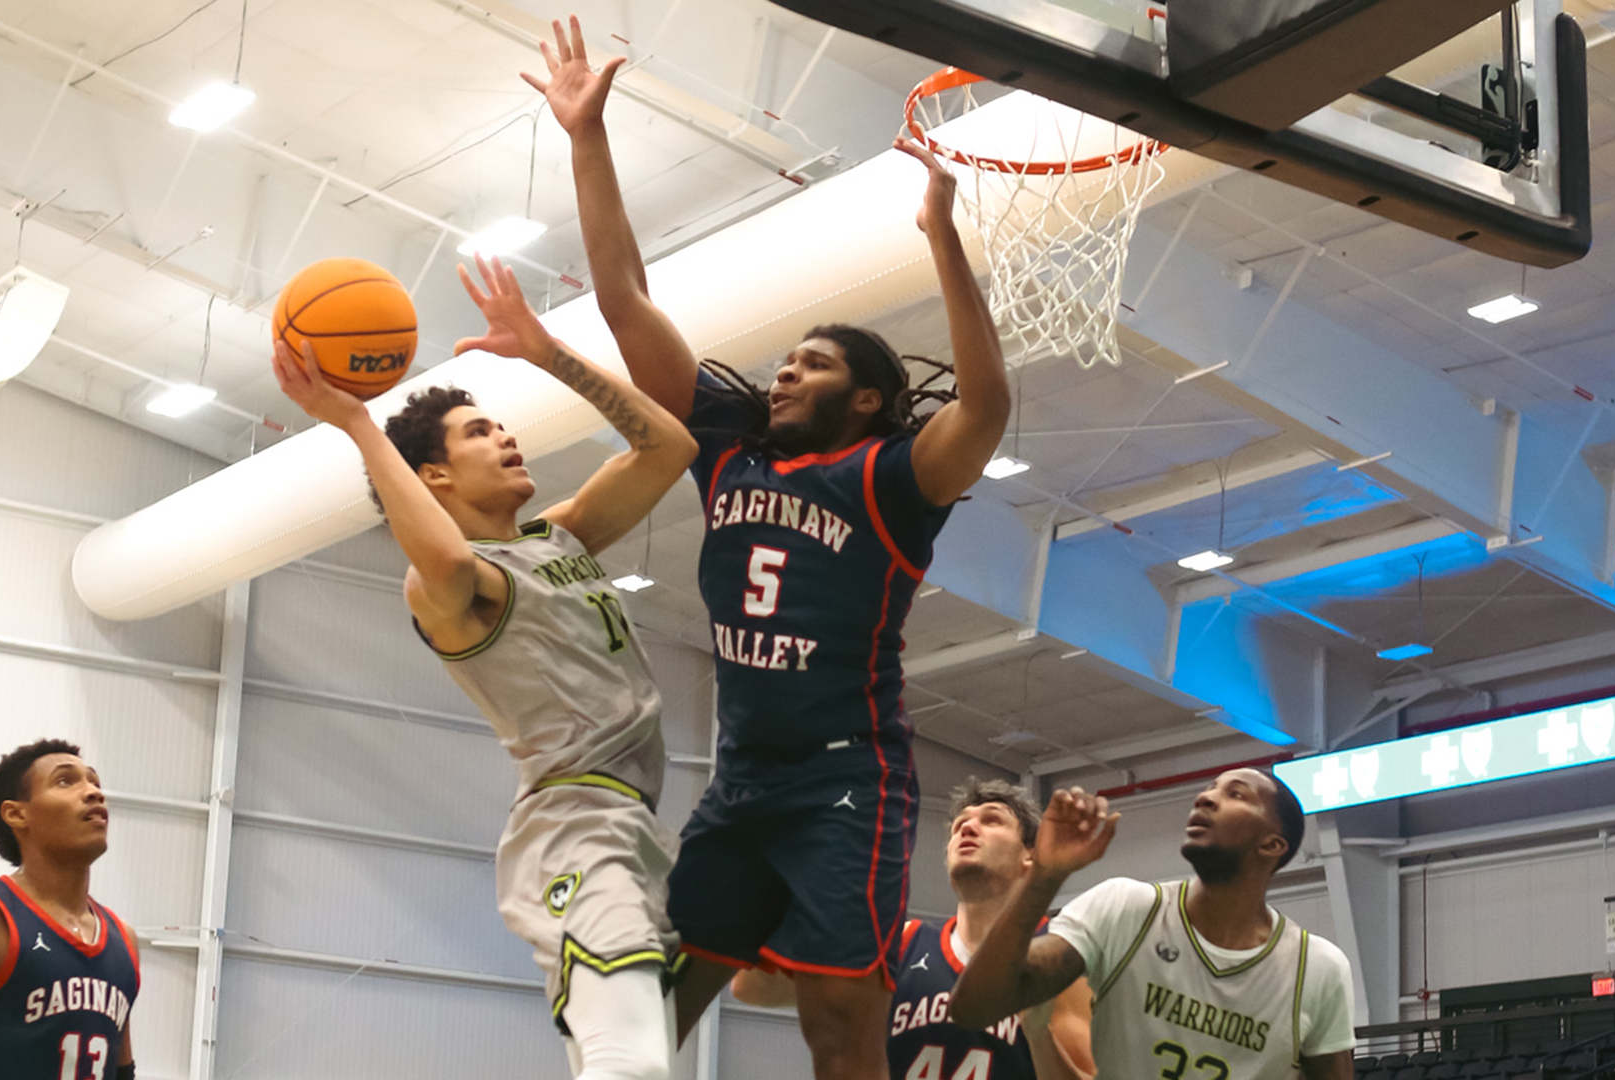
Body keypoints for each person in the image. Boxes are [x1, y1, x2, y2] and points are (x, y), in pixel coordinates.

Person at [527, 16, 1013, 1080]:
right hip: (743, 776)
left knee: (838, 1023)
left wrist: (941, 235)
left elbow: (985, 404)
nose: (784, 374)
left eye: (813, 364)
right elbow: (624, 301)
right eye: (784, 362)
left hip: (849, 776)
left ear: (870, 397)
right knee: (660, 999)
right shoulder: (727, 450)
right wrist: (585, 137)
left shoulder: (892, 478)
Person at [271, 255, 697, 1080]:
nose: (505, 435)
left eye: (500, 425)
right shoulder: (455, 585)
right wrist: (357, 424)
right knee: (632, 1063)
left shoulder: (558, 538)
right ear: (434, 476)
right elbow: (441, 557)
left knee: (623, 1059)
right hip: (576, 825)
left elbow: (669, 444)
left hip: (628, 822)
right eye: (478, 432)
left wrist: (544, 351)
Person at [952, 769, 1357, 1080]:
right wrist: (1044, 877)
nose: (1206, 797)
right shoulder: (1125, 907)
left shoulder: (1317, 967)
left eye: (1235, 794)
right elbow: (974, 1008)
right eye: (1210, 788)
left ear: (1272, 845)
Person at [730, 778, 1096, 1080]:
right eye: (959, 825)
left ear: (1030, 854)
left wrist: (1036, 1032)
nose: (968, 827)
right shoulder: (899, 943)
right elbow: (752, 987)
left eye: (992, 820)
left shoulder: (1059, 954)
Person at [0, 740, 140, 1080]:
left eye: (95, 782)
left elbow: (121, 1071)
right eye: (65, 781)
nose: (92, 792)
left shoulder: (124, 940)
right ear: (17, 813)